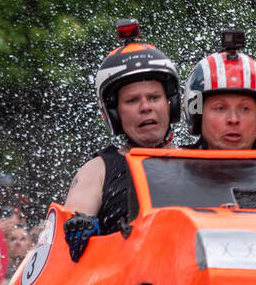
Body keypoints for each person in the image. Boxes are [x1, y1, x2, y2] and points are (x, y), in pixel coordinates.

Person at [61, 20, 182, 260]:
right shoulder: (98, 170)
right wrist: (79, 227)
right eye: (132, 100)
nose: (146, 107)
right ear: (113, 114)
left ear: (172, 104)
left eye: (154, 97)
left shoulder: (199, 160)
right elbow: (70, 222)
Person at [183, 28, 256, 151]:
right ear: (197, 115)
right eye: (220, 108)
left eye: (245, 108)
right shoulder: (165, 167)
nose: (233, 119)